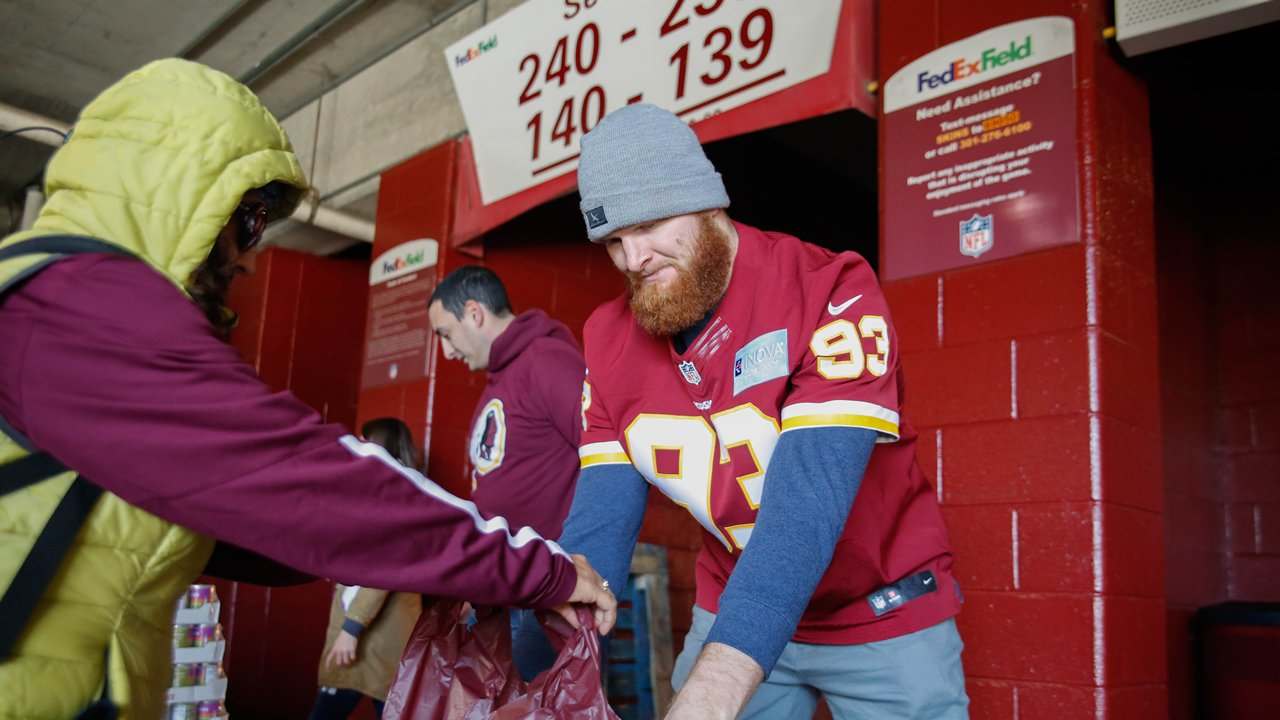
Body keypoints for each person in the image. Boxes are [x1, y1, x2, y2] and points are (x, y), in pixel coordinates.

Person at [0, 59, 613, 720]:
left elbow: (264, 510)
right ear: (177, 189)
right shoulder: (79, 304)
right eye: (250, 221)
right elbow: (302, 478)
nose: (251, 257)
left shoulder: (59, 295)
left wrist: (409, 552)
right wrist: (533, 569)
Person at [560, 103, 968, 719]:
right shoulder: (606, 337)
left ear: (706, 202)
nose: (634, 257)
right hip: (731, 599)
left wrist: (713, 692)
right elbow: (603, 507)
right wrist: (554, 636)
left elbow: (806, 504)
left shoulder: (830, 288)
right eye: (613, 240)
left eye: (648, 224)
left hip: (879, 608)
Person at [428, 266, 586, 680]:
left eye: (446, 334)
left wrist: (575, 565)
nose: (447, 352)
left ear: (474, 313)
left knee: (535, 704)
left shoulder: (548, 361)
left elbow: (607, 459)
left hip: (547, 585)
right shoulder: (498, 380)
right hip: (505, 586)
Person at [310, 418, 425, 720]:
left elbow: (382, 571)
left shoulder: (394, 497)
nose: (358, 446)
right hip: (375, 634)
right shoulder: (398, 493)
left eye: (364, 440)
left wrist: (351, 628)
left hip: (371, 635)